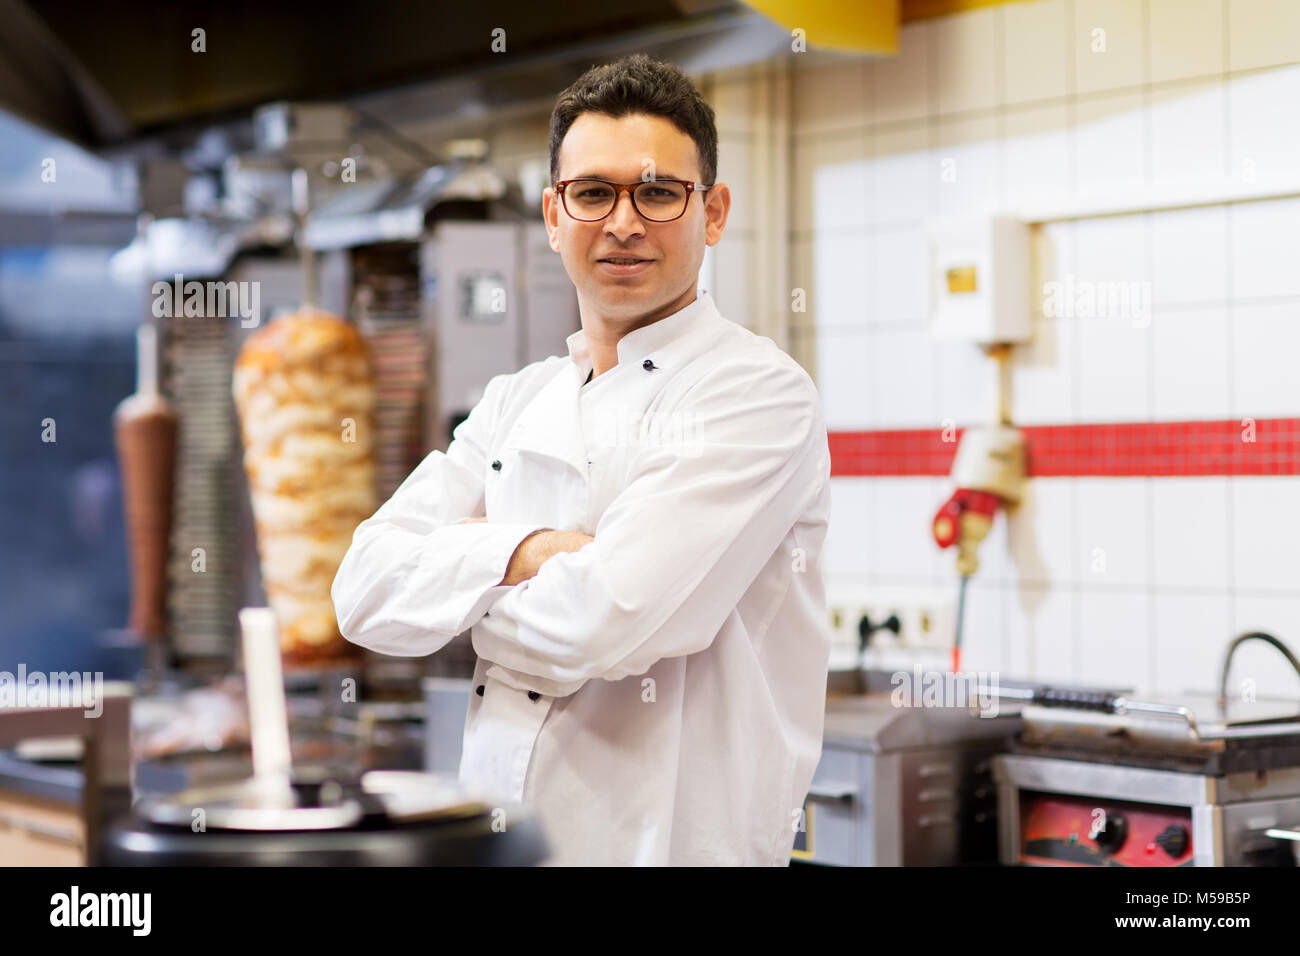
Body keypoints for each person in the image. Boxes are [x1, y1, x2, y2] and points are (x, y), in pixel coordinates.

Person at [332, 53, 832, 865]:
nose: (624, 222)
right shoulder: (515, 398)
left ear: (713, 212)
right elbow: (362, 592)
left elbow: (605, 624)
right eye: (593, 193)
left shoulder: (755, 393)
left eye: (659, 192)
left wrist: (459, 589)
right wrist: (530, 553)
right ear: (554, 216)